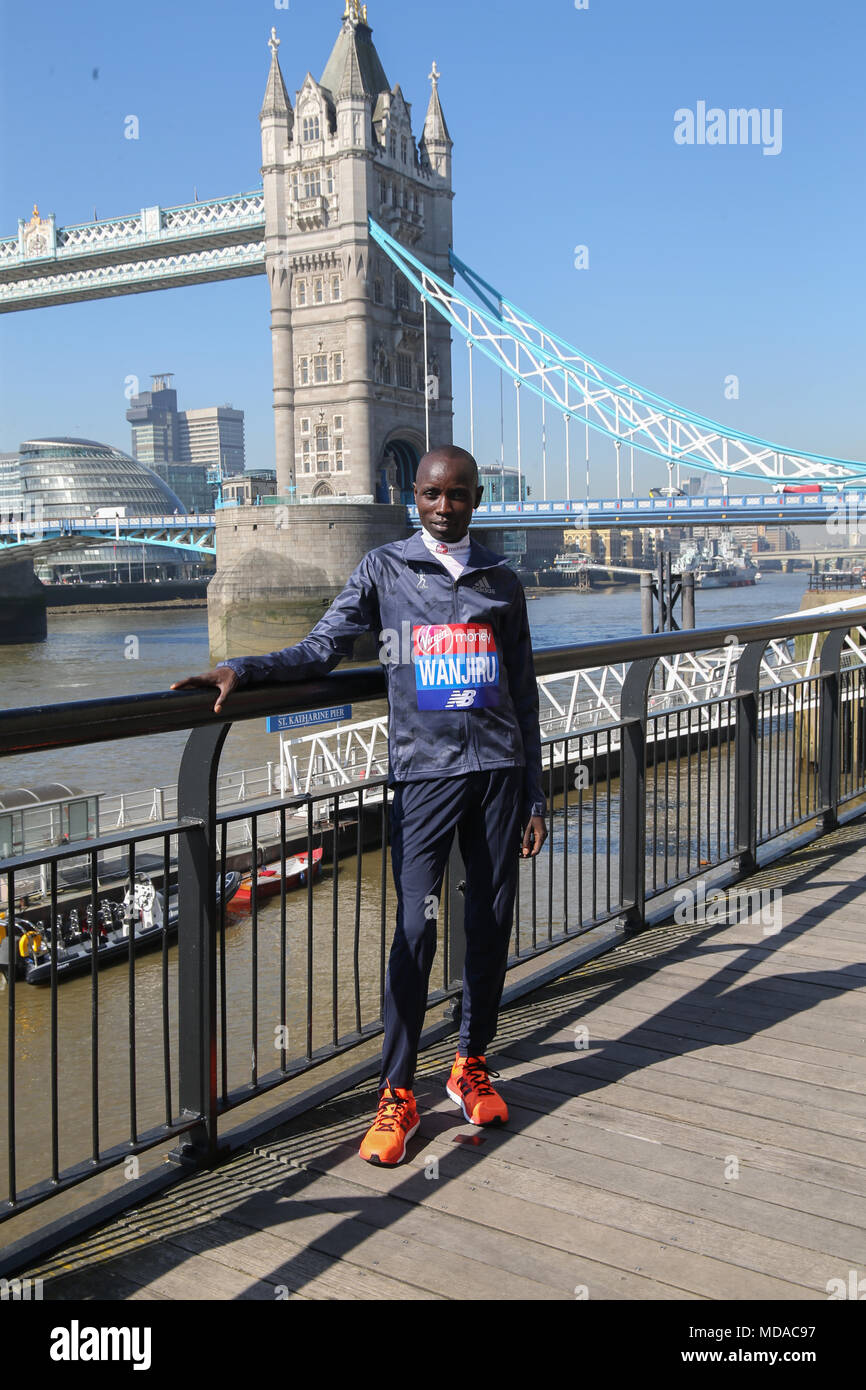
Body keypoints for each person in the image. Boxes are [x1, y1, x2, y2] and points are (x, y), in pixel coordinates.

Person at [171, 446, 547, 1166]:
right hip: (424, 775)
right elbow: (323, 648)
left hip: (498, 771)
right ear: (414, 496)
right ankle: (398, 1091)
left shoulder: (504, 581)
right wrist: (242, 669)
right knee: (414, 927)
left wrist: (532, 789)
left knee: (492, 918)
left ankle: (471, 1062)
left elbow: (522, 692)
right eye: (434, 495)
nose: (446, 507)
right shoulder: (384, 569)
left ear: (476, 498)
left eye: (460, 494)